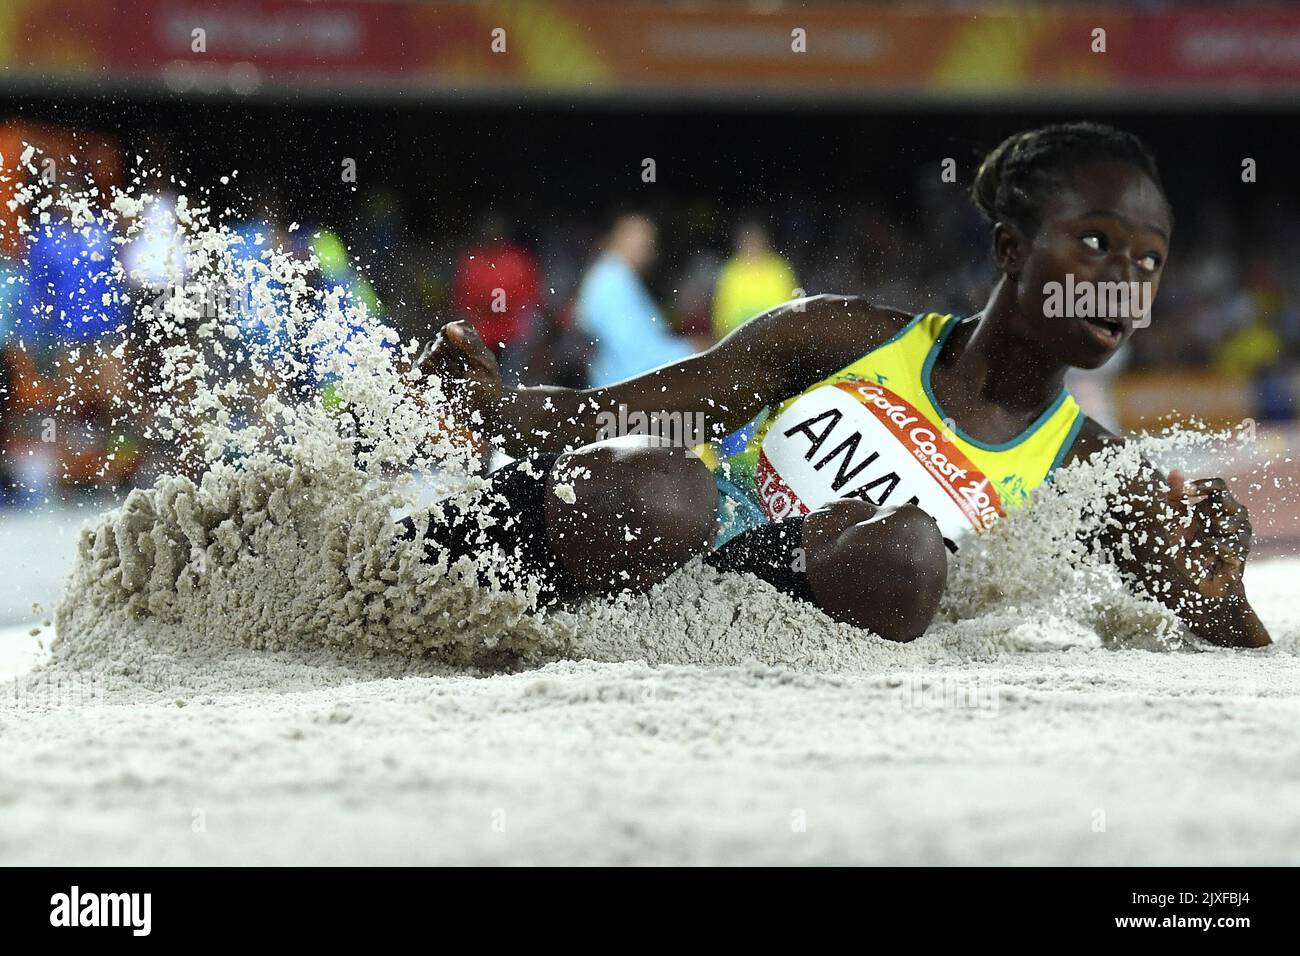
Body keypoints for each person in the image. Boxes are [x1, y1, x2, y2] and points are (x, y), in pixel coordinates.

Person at [408, 122, 1270, 648]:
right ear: (1011, 248)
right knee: (652, 484)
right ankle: (423, 565)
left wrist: (1222, 598)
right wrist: (489, 405)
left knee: (903, 552)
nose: (1124, 277)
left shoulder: (1090, 472)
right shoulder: (844, 332)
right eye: (1096, 244)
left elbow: (1215, 636)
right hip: (658, 536)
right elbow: (624, 412)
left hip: (781, 607)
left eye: (1148, 262)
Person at [573, 213, 694, 387]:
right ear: (619, 241)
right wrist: (697, 351)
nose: (651, 255)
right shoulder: (612, 281)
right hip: (621, 397)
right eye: (644, 246)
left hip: (622, 392)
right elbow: (640, 358)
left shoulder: (616, 275)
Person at [711, 217, 798, 341]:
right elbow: (721, 317)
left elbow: (791, 309)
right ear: (739, 244)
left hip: (774, 337)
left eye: (755, 241)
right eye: (747, 241)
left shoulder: (779, 268)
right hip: (739, 339)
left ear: (765, 242)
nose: (752, 246)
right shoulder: (730, 272)